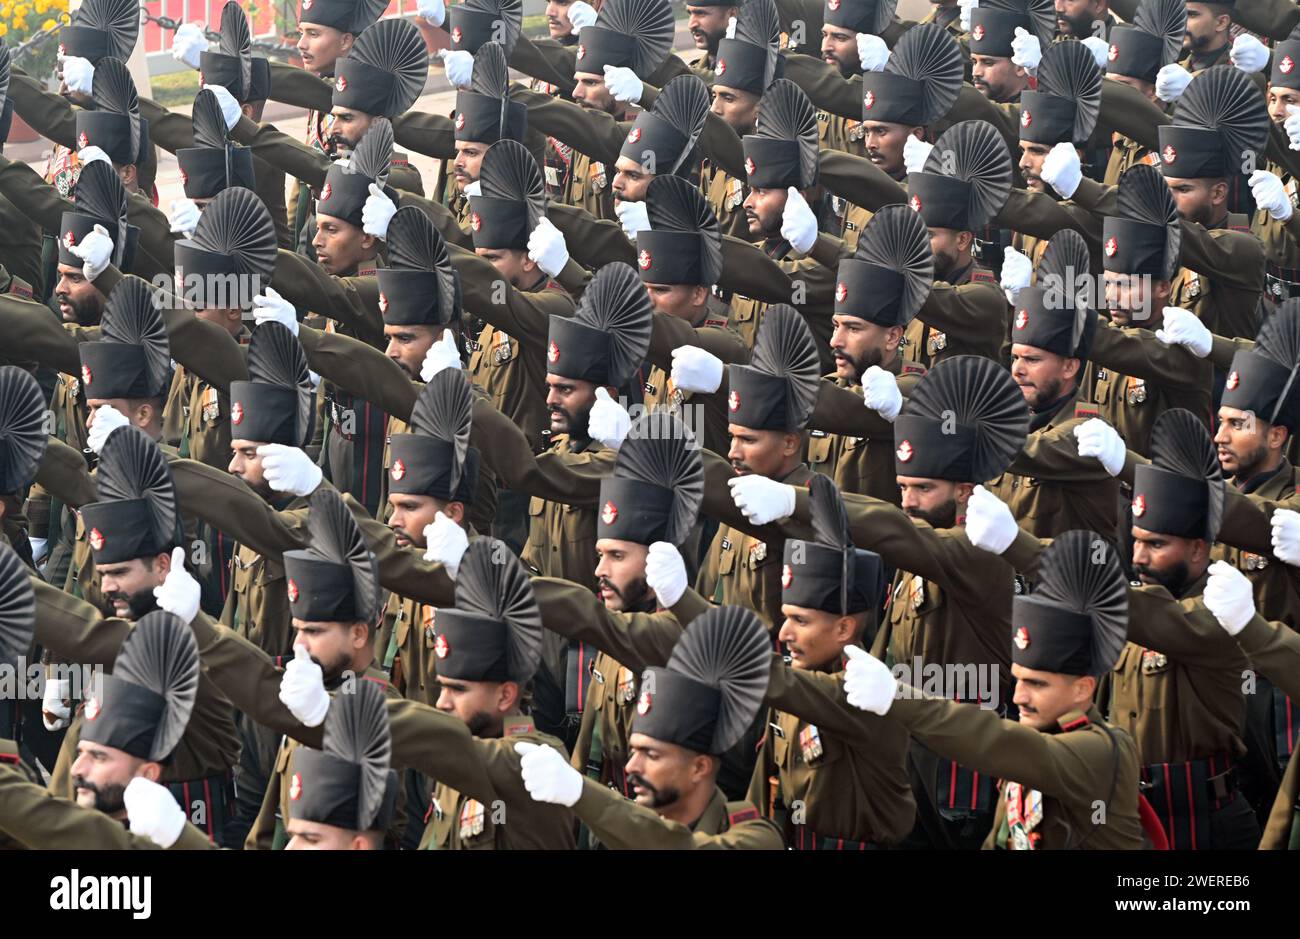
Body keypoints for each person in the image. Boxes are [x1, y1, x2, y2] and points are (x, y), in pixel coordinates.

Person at [842, 530, 1145, 848]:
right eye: (1019, 680)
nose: (1019, 697)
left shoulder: (1100, 750)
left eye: (1037, 684)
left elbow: (993, 738)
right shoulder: (1033, 746)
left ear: (1083, 689)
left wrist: (896, 697)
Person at [517, 605, 784, 848]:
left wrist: (580, 792)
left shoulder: (754, 835)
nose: (632, 766)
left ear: (699, 767)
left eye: (652, 755)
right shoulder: (624, 833)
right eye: (634, 752)